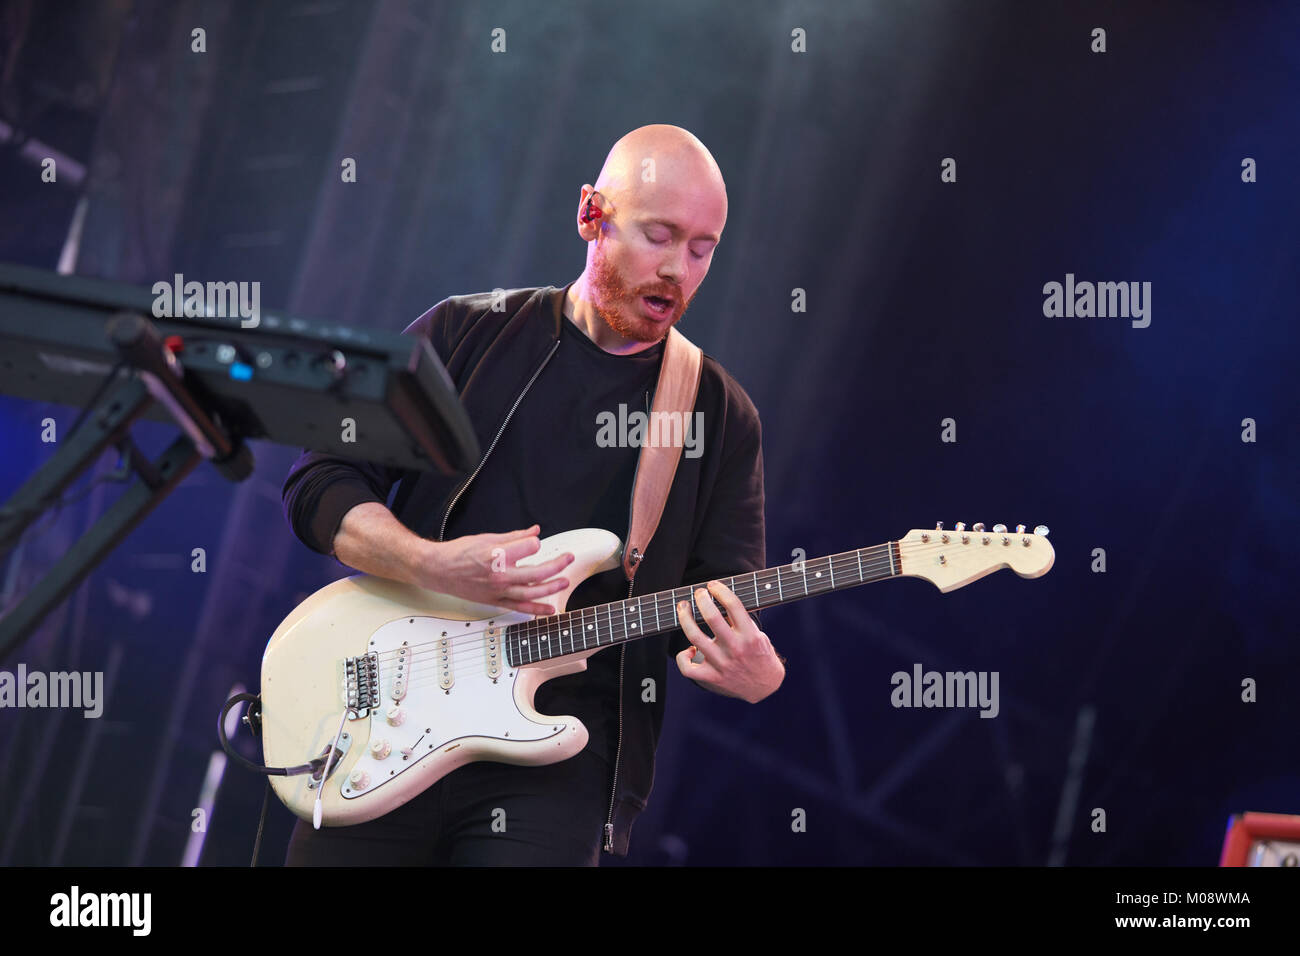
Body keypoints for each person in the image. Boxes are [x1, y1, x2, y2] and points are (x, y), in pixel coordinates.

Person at [280, 124, 785, 866]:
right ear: (591, 215)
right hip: (386, 719)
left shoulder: (715, 412)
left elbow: (718, 604)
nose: (678, 270)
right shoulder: (465, 331)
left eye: (702, 250)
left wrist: (752, 668)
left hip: (558, 766)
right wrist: (430, 563)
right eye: (658, 236)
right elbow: (320, 479)